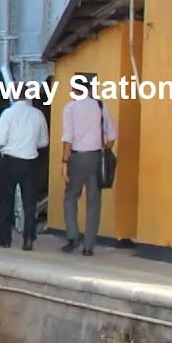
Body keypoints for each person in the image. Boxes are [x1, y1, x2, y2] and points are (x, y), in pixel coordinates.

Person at [60, 73, 117, 256]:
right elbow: (113, 136)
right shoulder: (100, 105)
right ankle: (88, 245)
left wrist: (64, 162)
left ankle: (72, 236)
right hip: (95, 159)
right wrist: (105, 151)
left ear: (76, 89)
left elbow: (68, 137)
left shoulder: (70, 108)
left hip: (76, 158)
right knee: (94, 201)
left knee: (70, 197)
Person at [0, 93, 49, 249]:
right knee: (30, 203)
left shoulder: (8, 114)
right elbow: (44, 141)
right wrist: (30, 144)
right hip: (30, 162)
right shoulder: (38, 114)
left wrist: (9, 145)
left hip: (10, 161)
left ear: (13, 96)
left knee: (6, 201)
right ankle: (29, 239)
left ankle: (5, 239)